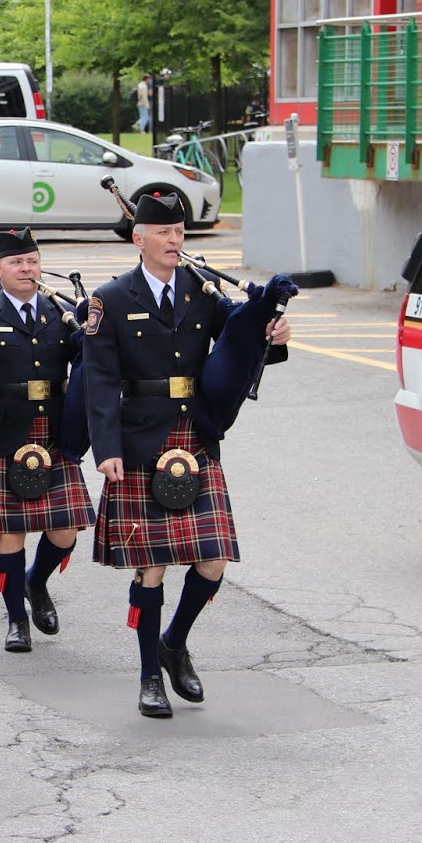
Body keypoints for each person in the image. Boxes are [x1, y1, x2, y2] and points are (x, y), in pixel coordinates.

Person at [81, 191, 290, 718]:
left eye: (180, 231)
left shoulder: (200, 290)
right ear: (139, 238)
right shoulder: (109, 300)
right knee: (151, 568)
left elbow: (240, 339)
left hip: (194, 438)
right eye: (165, 232)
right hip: (138, 439)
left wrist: (275, 334)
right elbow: (100, 382)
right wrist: (105, 449)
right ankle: (150, 674)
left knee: (214, 558)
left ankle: (175, 640)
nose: (176, 241)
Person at [0, 228, 96, 653]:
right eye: (17, 262)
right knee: (9, 536)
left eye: (33, 261)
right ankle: (16, 619)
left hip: (53, 433)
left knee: (65, 531)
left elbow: (91, 366)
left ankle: (36, 584)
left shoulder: (65, 312)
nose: (27, 269)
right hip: (3, 434)